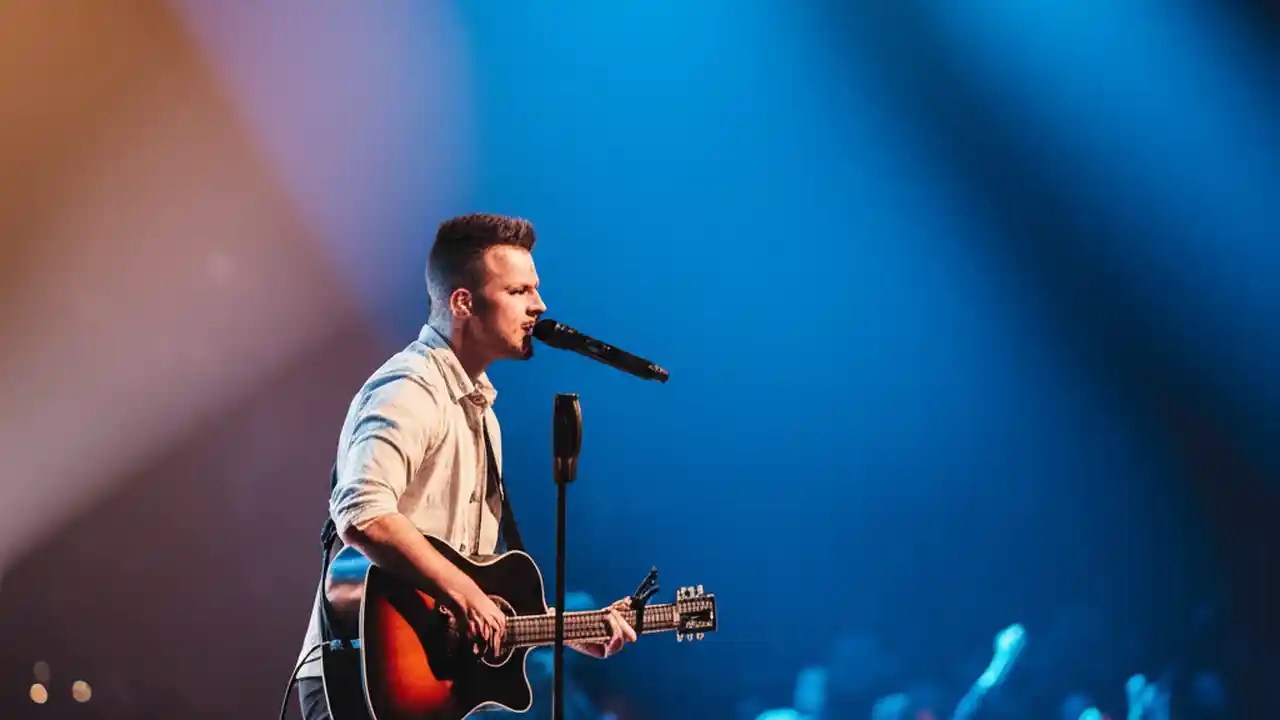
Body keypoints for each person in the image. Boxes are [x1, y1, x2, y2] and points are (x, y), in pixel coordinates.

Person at [295, 213, 636, 719]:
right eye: (520, 291)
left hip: (431, 687)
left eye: (535, 290)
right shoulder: (409, 389)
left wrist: (565, 629)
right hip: (364, 683)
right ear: (463, 303)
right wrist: (467, 594)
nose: (539, 306)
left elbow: (479, 586)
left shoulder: (482, 416)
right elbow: (362, 512)